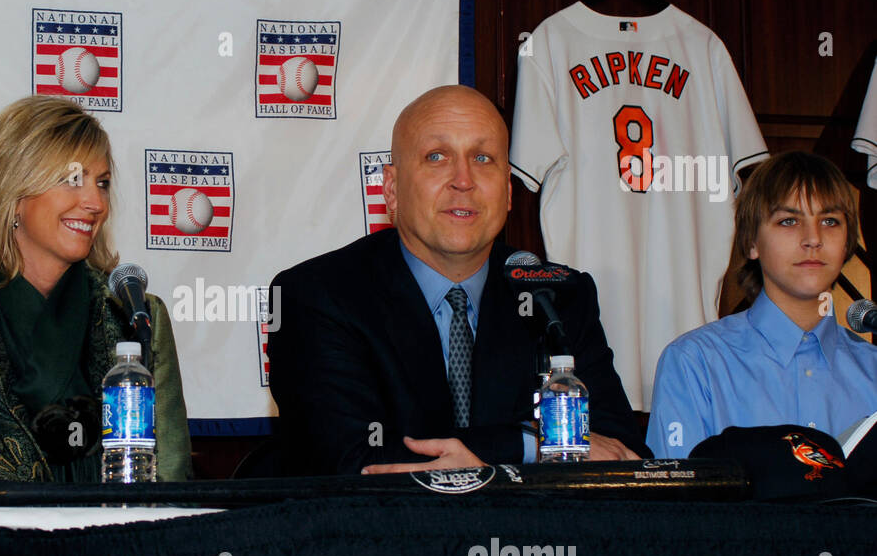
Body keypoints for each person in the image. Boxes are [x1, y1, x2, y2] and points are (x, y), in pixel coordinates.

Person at [267, 85, 646, 475]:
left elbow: (623, 456)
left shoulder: (556, 296)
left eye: (483, 158)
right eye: (436, 157)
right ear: (392, 190)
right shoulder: (317, 297)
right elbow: (353, 462)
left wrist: (488, 456)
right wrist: (533, 441)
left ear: (509, 192)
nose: (463, 180)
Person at [0, 95, 191, 482]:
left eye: (102, 183)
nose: (95, 202)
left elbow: (169, 487)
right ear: (13, 194)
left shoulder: (137, 317)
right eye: (73, 180)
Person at [647, 151, 877, 458]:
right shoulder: (695, 363)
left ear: (848, 240)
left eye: (830, 221)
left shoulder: (871, 369)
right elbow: (676, 502)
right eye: (789, 220)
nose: (813, 238)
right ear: (752, 242)